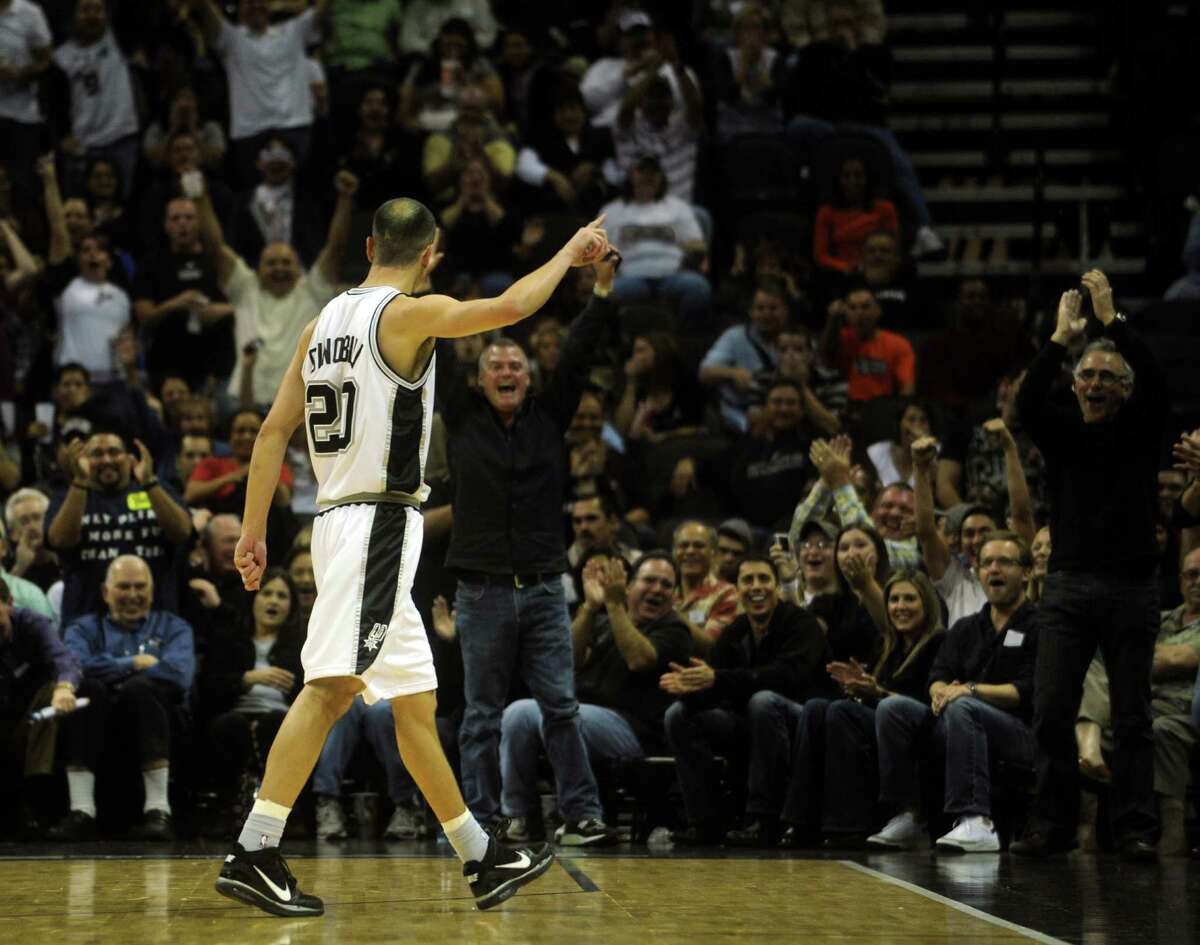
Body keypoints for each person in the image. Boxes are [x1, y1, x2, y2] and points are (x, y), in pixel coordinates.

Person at [215, 196, 610, 915]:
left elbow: (273, 431)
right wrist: (570, 252)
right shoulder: (404, 314)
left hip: (340, 519)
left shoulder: (319, 323)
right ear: (430, 255)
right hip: (377, 523)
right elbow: (513, 305)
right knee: (331, 686)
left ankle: (481, 856)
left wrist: (253, 530)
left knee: (417, 706)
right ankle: (254, 846)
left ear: (368, 245)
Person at [443, 251, 623, 849]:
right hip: (482, 589)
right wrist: (421, 282)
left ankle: (582, 813)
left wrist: (601, 288)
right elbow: (440, 345)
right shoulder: (462, 416)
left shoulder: (551, 414)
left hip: (545, 587)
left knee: (562, 707)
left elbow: (578, 350)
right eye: (494, 363)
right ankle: (481, 822)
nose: (505, 369)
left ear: (528, 376)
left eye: (515, 362)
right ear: (479, 379)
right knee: (480, 715)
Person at [1012, 272, 1168, 862]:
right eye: (1088, 375)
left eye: (1108, 377)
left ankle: (1133, 826)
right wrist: (1058, 339)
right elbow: (1026, 403)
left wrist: (1112, 320)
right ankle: (1050, 821)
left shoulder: (1140, 426)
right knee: (1051, 705)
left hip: (1132, 586)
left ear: (1122, 390)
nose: (1096, 383)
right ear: (1075, 386)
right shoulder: (1062, 430)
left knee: (1132, 714)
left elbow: (1155, 379)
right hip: (1070, 585)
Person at [500, 553, 691, 842]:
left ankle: (583, 817)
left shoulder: (675, 629)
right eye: (649, 581)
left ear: (674, 596)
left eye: (666, 585)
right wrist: (590, 607)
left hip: (634, 731)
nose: (657, 589)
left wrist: (614, 605)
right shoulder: (601, 622)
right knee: (518, 712)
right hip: (582, 714)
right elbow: (568, 661)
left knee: (560, 716)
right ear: (629, 586)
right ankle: (517, 816)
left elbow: (639, 659)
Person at [870, 532, 1039, 853]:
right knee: (893, 709)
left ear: (1027, 573)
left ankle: (977, 820)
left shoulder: (1039, 625)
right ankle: (909, 814)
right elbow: (938, 675)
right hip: (960, 721)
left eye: (1004, 562)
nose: (994, 570)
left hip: (1020, 732)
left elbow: (1027, 691)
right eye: (987, 563)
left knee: (964, 706)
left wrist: (969, 691)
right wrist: (940, 692)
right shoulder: (966, 627)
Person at [662, 555, 833, 846]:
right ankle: (705, 821)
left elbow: (786, 677)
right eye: (748, 580)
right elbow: (718, 681)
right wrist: (691, 689)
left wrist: (716, 680)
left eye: (764, 579)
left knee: (763, 701)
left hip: (804, 720)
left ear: (777, 586)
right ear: (738, 589)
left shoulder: (801, 623)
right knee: (677, 714)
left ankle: (765, 819)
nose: (757, 587)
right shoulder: (737, 630)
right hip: (750, 721)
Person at [781, 569, 944, 847]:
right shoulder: (886, 646)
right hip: (884, 720)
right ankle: (803, 820)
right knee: (817, 708)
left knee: (842, 713)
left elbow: (924, 703)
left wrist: (877, 692)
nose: (900, 607)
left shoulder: (940, 642)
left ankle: (853, 823)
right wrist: (859, 687)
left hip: (922, 728)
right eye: (893, 600)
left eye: (909, 599)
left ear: (926, 604)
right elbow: (876, 696)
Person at [51, 555, 196, 841]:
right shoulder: (81, 628)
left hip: (159, 720)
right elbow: (76, 665)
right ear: (106, 592)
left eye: (140, 587)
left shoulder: (175, 627)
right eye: (124, 587)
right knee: (90, 689)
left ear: (152, 592)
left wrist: (113, 668)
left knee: (140, 689)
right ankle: (82, 811)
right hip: (98, 720)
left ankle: (158, 811)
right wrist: (132, 663)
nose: (133, 595)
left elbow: (178, 675)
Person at [1075, 548, 1200, 855]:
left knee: (1158, 729)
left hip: (1181, 710)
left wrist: (1125, 655)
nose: (1196, 581)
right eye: (1190, 574)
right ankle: (1089, 823)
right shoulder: (1162, 618)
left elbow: (1181, 658)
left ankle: (1173, 829)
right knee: (1089, 661)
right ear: (1181, 581)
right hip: (1135, 700)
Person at [45, 430, 192, 623]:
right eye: (96, 454)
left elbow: (182, 533)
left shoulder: (156, 489)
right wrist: (80, 481)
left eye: (114, 452)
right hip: (87, 623)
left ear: (129, 458)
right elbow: (60, 541)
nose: (106, 460)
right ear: (83, 460)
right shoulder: (68, 496)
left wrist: (149, 483)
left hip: (156, 621)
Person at [198, 567, 304, 834]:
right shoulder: (229, 638)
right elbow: (208, 686)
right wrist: (248, 678)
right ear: (254, 599)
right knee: (228, 726)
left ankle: (280, 813)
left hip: (282, 716)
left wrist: (294, 689)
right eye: (267, 593)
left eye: (282, 596)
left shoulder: (302, 643)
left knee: (277, 723)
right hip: (236, 713)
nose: (273, 601)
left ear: (291, 606)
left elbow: (315, 695)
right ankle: (232, 804)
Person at [0, 579, 79, 838]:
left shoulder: (31, 623)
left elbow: (63, 658)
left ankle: (35, 799)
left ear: (10, 604)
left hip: (31, 718)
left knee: (51, 693)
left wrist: (65, 686)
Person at [820, 285, 915, 403]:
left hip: (882, 407)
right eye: (852, 308)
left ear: (878, 311)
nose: (859, 313)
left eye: (865, 307)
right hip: (845, 405)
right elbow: (825, 356)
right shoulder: (841, 339)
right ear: (845, 313)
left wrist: (899, 411)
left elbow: (907, 386)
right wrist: (832, 319)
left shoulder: (898, 344)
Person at [813, 156, 898, 274]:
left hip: (878, 271)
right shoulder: (826, 212)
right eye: (846, 176)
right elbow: (820, 256)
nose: (852, 181)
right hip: (840, 274)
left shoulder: (885, 209)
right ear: (838, 180)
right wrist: (846, 268)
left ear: (867, 179)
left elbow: (894, 247)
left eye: (858, 175)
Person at [672, 521, 739, 657]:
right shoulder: (668, 594)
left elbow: (713, 646)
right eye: (683, 545)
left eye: (699, 545)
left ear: (713, 553)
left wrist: (670, 613)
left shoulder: (727, 593)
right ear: (674, 552)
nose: (690, 551)